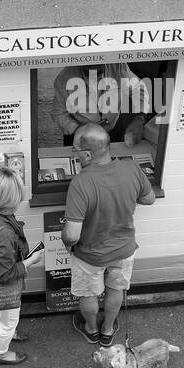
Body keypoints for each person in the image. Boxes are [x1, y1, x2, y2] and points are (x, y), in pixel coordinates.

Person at [62, 124, 155, 346]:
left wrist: (65, 241)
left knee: (88, 293)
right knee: (116, 289)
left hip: (90, 254)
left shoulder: (80, 183)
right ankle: (107, 330)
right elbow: (149, 199)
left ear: (86, 154)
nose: (73, 153)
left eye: (75, 149)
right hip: (124, 250)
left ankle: (91, 329)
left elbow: (72, 235)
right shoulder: (132, 168)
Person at [0, 167, 44, 365]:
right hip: (3, 285)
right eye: (17, 195)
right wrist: (30, 261)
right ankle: (0, 353)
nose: (20, 199)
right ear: (8, 201)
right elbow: (6, 275)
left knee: (1, 314)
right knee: (9, 320)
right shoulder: (5, 234)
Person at [50, 63, 151, 147]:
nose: (96, 76)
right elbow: (58, 113)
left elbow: (139, 89)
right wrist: (77, 129)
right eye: (90, 70)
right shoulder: (64, 78)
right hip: (80, 134)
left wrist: (140, 118)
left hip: (113, 129)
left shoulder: (118, 66)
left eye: (99, 71)